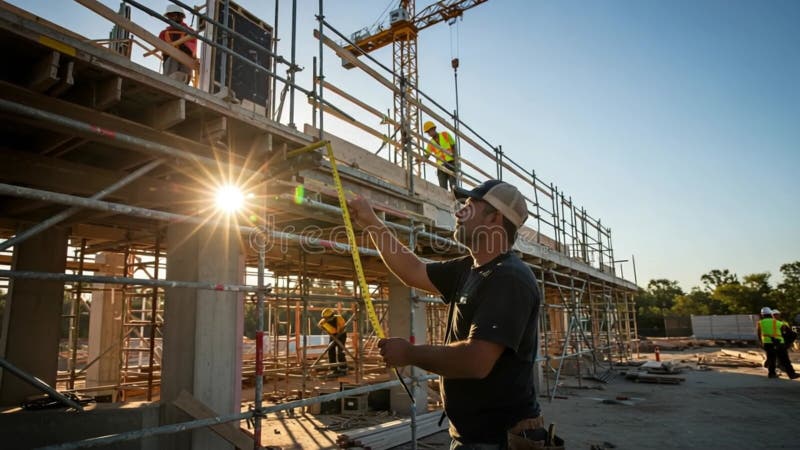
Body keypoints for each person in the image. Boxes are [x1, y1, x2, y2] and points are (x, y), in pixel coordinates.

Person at [349, 179, 542, 449]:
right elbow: (413, 270)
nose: (459, 212)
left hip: (497, 440)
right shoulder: (468, 268)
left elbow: (476, 361)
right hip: (471, 436)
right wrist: (372, 223)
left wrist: (409, 353)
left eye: (470, 206)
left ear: (494, 218)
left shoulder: (509, 278)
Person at [158, 4, 197, 84]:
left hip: (186, 61)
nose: (170, 18)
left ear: (180, 16)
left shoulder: (190, 31)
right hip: (171, 61)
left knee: (182, 83)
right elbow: (160, 47)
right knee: (169, 82)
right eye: (170, 16)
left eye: (173, 15)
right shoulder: (164, 33)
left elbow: (192, 49)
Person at [757, 307, 799, 379]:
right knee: (785, 360)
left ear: (762, 315)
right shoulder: (778, 323)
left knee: (771, 359)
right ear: (771, 314)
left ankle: (772, 374)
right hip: (779, 343)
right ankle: (791, 374)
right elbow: (791, 333)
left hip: (767, 343)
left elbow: (759, 334)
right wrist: (787, 343)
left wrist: (761, 343)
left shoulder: (760, 323)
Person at [423, 121, 458, 191]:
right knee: (442, 188)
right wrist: (419, 159)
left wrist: (455, 158)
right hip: (440, 166)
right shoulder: (430, 143)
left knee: (453, 185)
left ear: (434, 128)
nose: (429, 133)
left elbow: (453, 145)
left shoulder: (445, 134)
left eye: (430, 131)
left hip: (450, 162)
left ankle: (455, 196)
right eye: (428, 132)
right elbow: (427, 155)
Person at [318, 308, 348, 374]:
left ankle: (343, 368)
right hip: (333, 335)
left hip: (341, 335)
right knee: (331, 350)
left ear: (332, 316)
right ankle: (333, 368)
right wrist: (323, 327)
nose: (326, 319)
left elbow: (342, 329)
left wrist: (338, 335)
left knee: (340, 352)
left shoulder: (339, 318)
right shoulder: (324, 321)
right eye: (325, 318)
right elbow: (320, 325)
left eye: (327, 318)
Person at [770, 309, 799, 377]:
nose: (776, 316)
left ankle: (781, 369)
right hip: (777, 343)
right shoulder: (775, 323)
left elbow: (790, 333)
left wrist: (789, 342)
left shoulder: (783, 323)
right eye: (775, 315)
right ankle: (783, 370)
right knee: (780, 357)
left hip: (780, 343)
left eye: (776, 315)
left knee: (781, 357)